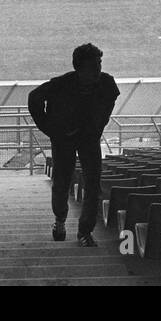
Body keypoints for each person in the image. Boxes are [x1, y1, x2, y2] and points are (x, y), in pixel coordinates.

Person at [28, 43, 119, 247]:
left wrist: (97, 126)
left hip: (87, 139)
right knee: (61, 182)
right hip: (65, 140)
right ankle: (60, 221)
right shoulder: (61, 84)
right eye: (93, 66)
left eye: (99, 64)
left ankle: (84, 231)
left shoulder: (105, 83)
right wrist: (50, 129)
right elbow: (34, 98)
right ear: (79, 68)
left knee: (92, 185)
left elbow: (110, 100)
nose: (98, 70)